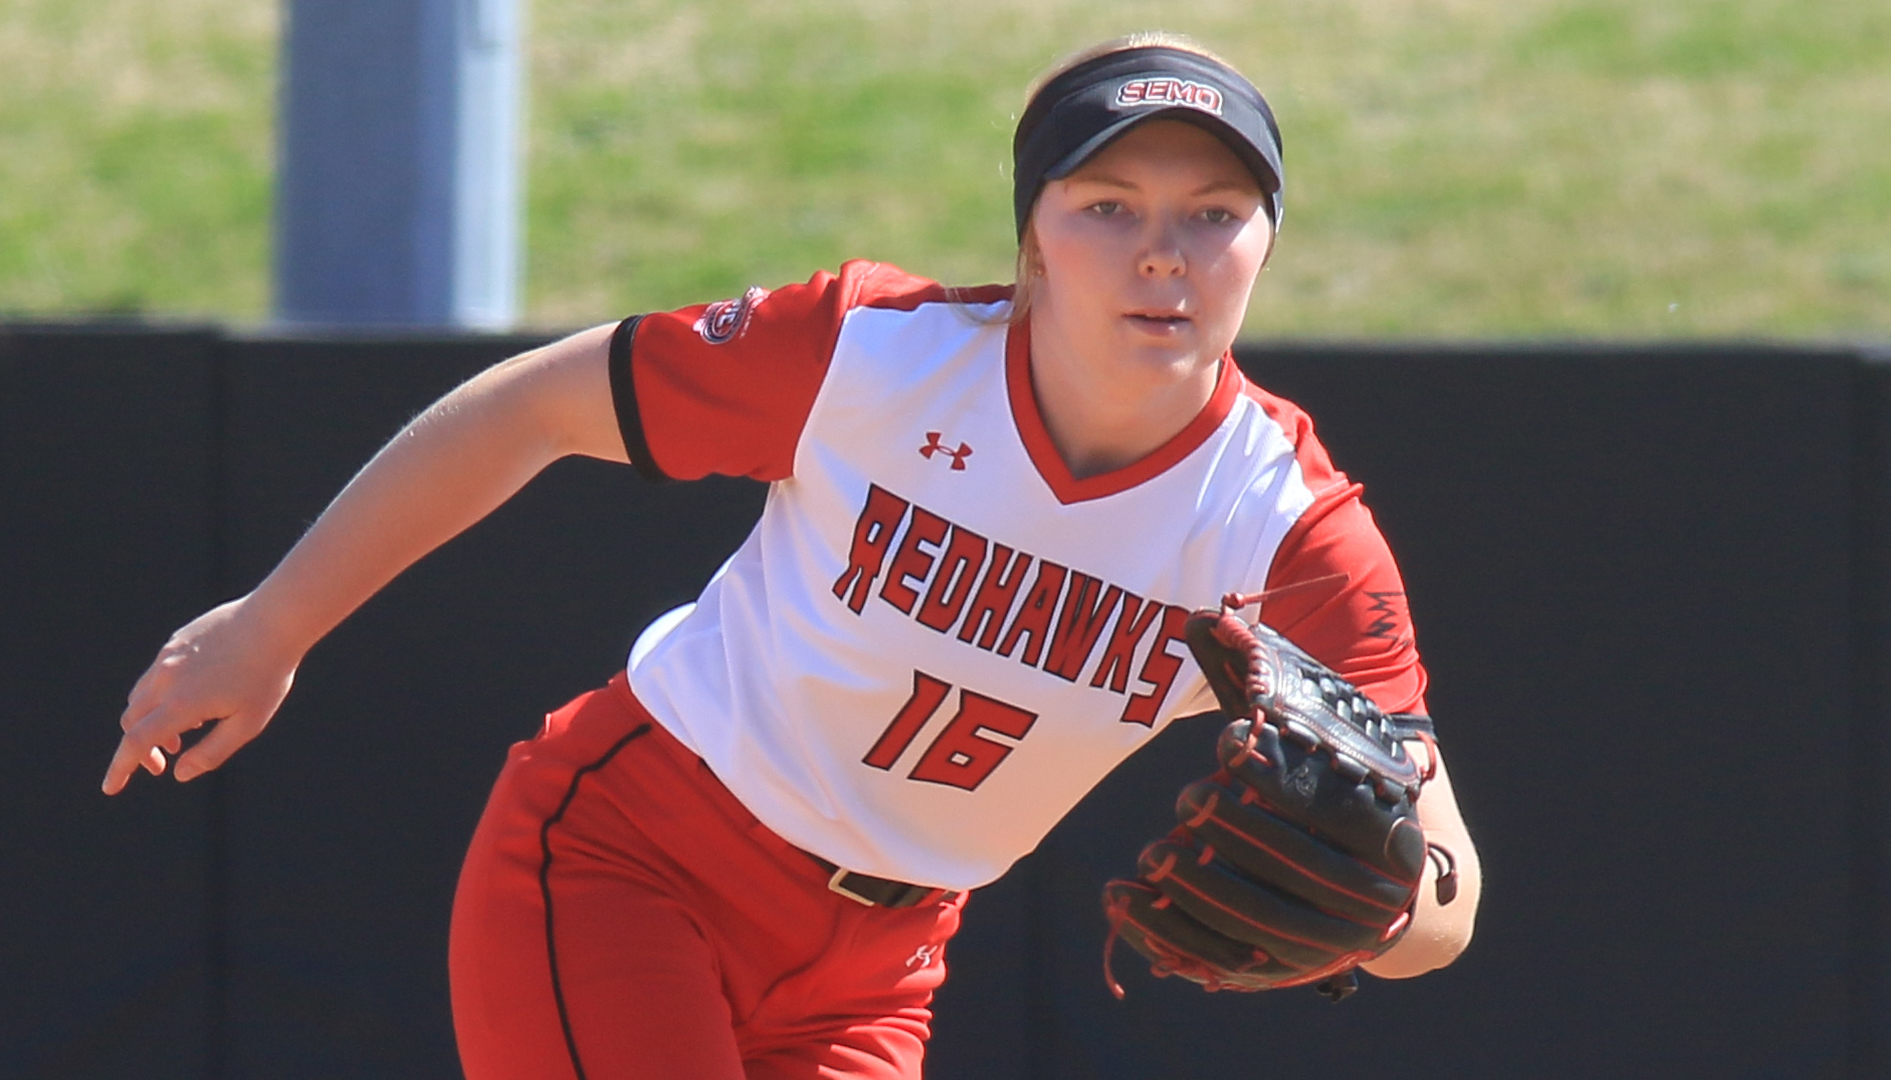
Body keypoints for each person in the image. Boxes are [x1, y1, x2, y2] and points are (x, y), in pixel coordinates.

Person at [105, 32, 1481, 1080]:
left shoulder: (1287, 528)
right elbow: (530, 410)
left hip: (879, 968)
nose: (1161, 254)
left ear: (1267, 243)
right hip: (633, 859)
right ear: (1034, 236)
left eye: (1213, 213)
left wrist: (1373, 906)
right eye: (1106, 205)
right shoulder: (869, 359)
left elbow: (1444, 890)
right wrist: (271, 624)